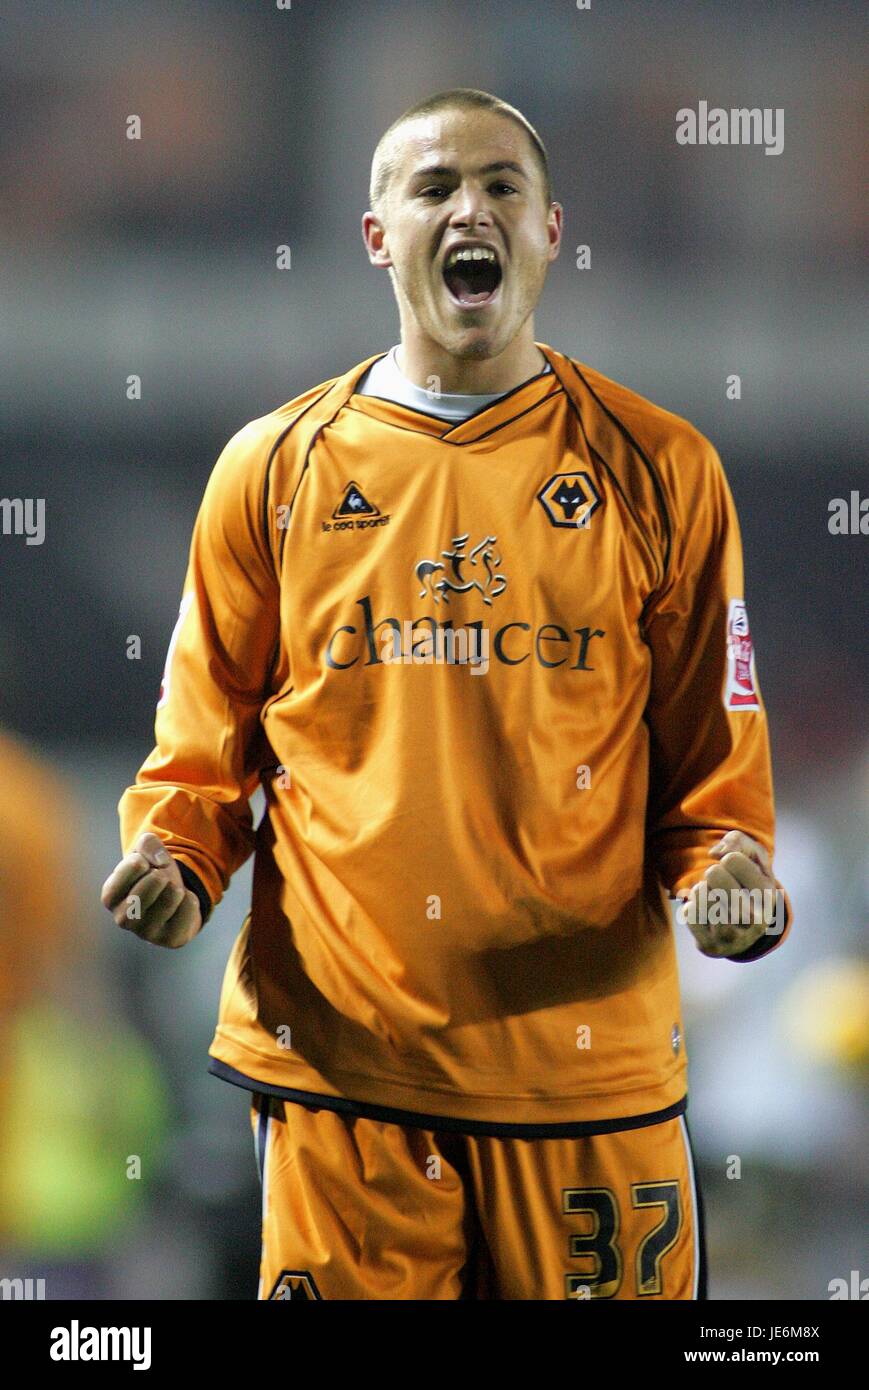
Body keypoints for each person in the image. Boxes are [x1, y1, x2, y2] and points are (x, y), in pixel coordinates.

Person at [102, 88, 792, 1301]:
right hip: (342, 1080)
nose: (466, 207)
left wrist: (726, 867)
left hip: (587, 1078)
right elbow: (201, 754)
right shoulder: (272, 470)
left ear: (546, 232)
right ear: (378, 236)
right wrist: (177, 858)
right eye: (431, 187)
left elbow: (708, 772)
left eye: (499, 187)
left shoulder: (660, 466)